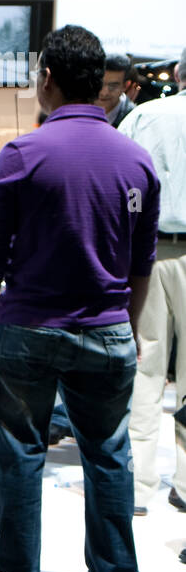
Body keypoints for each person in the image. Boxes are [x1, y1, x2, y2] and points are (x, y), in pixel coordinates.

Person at [0, 25, 156, 572]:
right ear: (99, 83)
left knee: (21, 451)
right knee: (108, 454)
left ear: (47, 78)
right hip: (108, 327)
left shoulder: (23, 154)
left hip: (28, 328)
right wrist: (128, 324)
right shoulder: (135, 159)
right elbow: (141, 260)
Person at [119, 47, 186, 519]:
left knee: (145, 363)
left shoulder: (143, 116)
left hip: (145, 251)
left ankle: (139, 485)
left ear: (180, 72)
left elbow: (118, 179)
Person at [99, 53, 139, 129]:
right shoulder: (79, 111)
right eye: (100, 84)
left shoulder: (134, 119)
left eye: (113, 86)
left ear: (125, 86)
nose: (104, 93)